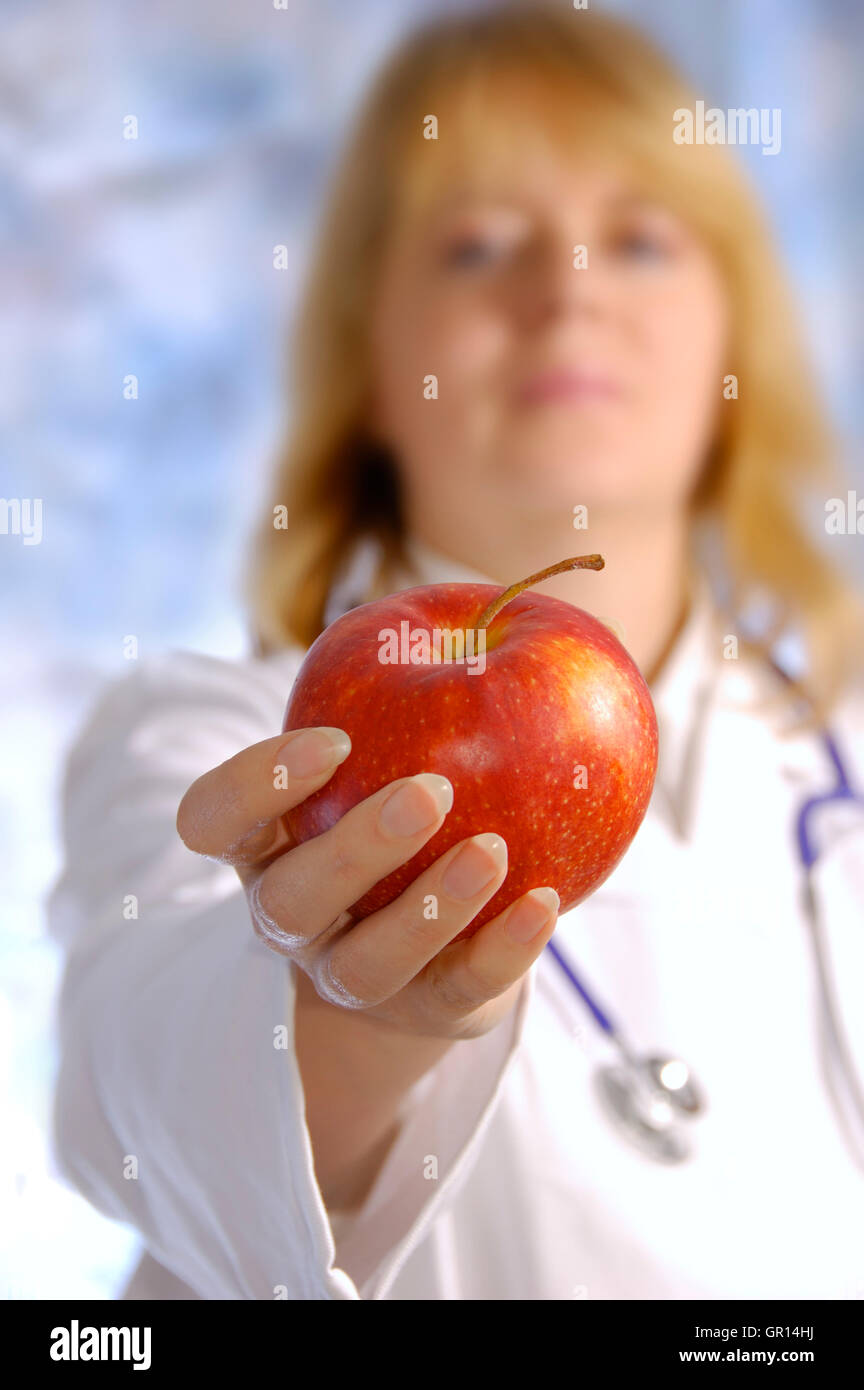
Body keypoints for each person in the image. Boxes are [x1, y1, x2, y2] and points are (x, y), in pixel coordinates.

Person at [48, 3, 864, 1301]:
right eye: (479, 246)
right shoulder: (229, 743)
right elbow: (135, 1090)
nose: (569, 289)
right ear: (369, 362)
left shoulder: (841, 747)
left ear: (735, 344)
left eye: (640, 240)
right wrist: (351, 1018)